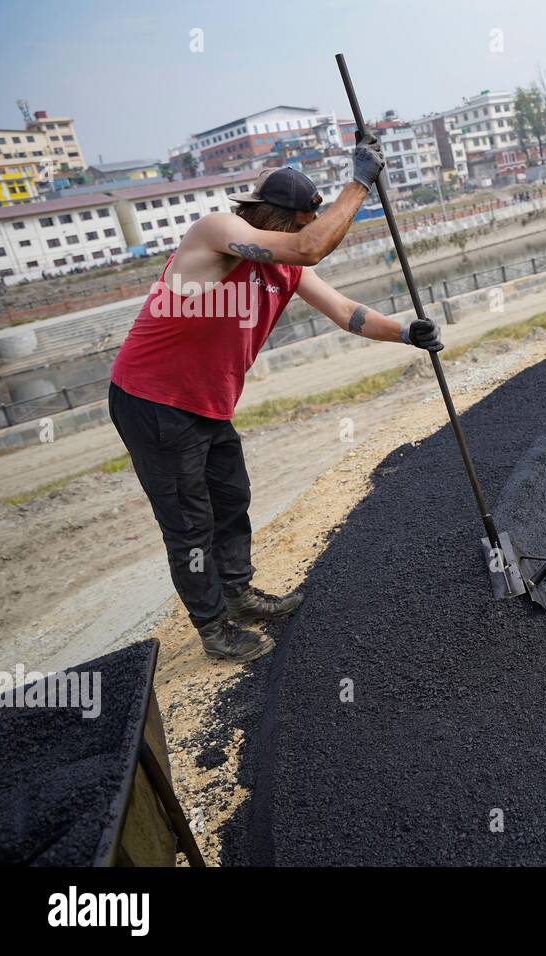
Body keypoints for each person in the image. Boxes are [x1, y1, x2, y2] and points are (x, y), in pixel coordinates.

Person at [109, 137, 444, 664]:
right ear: (281, 216)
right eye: (303, 220)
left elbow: (346, 312)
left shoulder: (286, 264)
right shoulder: (218, 233)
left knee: (231, 498)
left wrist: (406, 332)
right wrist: (358, 183)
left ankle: (238, 594)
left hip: (207, 403)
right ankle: (214, 628)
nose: (306, 230)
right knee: (189, 521)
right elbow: (311, 245)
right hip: (152, 399)